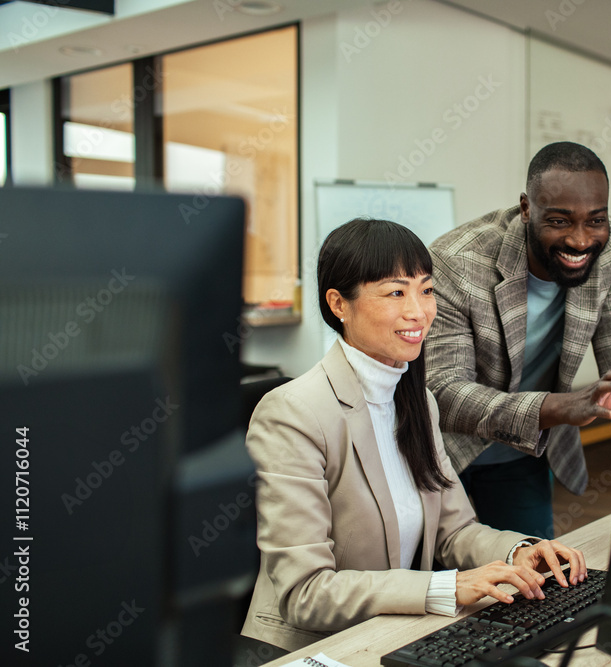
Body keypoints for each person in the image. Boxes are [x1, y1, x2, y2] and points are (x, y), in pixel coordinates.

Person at [241, 219, 586, 653]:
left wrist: (518, 550)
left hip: (392, 635)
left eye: (426, 290)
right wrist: (445, 587)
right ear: (338, 304)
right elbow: (306, 593)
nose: (419, 312)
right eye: (395, 292)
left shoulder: (417, 399)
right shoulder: (293, 414)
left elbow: (453, 532)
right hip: (311, 649)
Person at [424, 142, 611, 540]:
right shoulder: (456, 262)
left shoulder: (607, 252)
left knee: (531, 583)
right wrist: (558, 406)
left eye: (596, 220)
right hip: (440, 456)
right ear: (526, 209)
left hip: (523, 450)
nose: (580, 240)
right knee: (444, 586)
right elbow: (442, 390)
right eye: (559, 221)